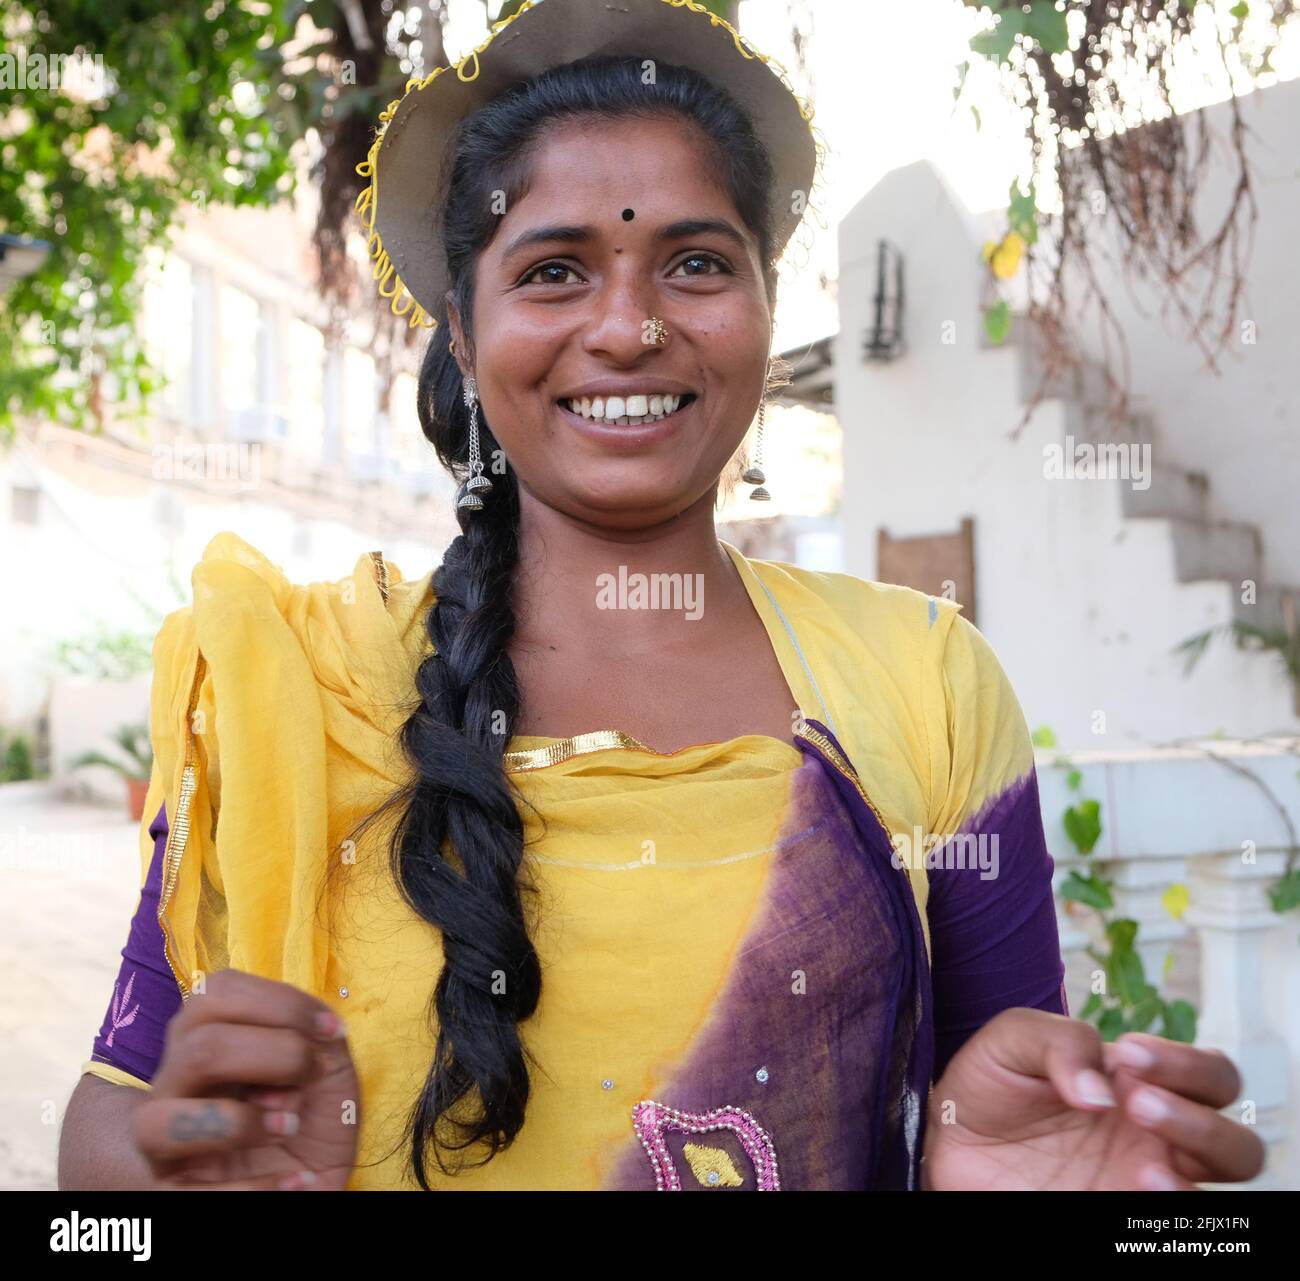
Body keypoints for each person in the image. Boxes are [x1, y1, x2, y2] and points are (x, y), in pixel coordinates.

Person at [58, 0, 1263, 1192]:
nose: (628, 328)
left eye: (693, 262)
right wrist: (183, 1174)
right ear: (467, 345)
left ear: (763, 312)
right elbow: (111, 1128)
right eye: (554, 270)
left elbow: (1007, 1108)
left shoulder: (927, 680)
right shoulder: (295, 685)